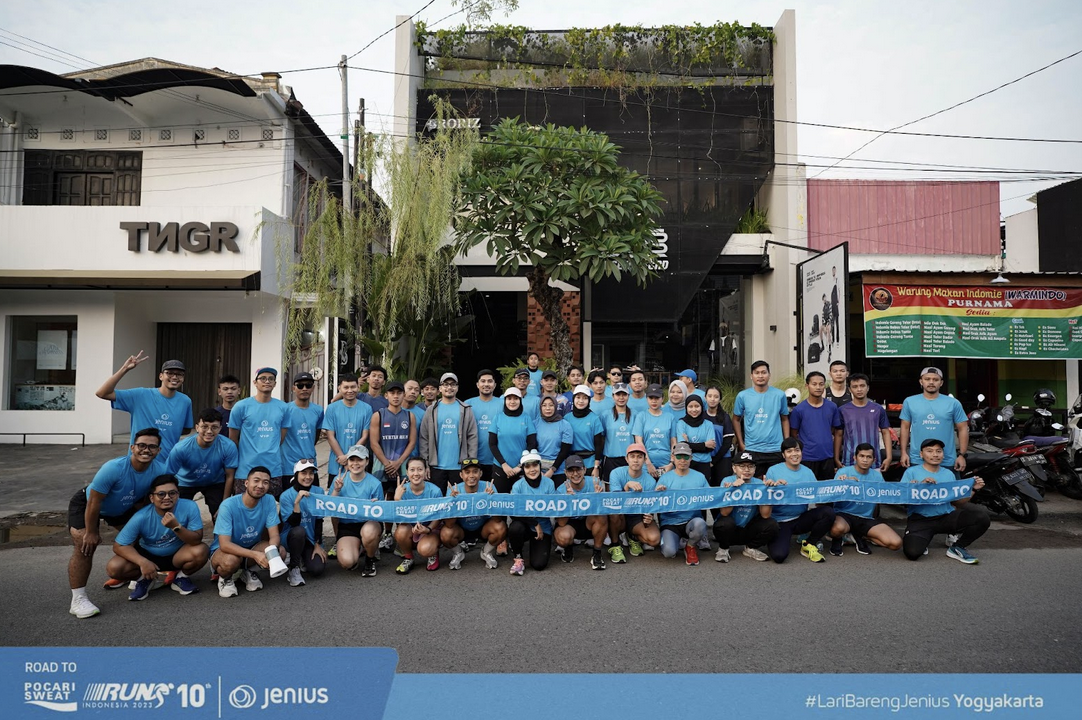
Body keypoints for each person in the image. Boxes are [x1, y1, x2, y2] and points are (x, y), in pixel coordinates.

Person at [66, 428, 169, 618]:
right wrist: (91, 531)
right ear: (132, 447)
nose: (146, 450)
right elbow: (94, 501)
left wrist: (143, 525)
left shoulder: (160, 470)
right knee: (85, 544)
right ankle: (78, 599)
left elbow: (147, 499)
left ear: (159, 450)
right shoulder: (114, 468)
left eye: (152, 446)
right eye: (141, 445)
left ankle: (136, 576)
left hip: (123, 506)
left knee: (143, 537)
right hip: (89, 504)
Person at [107, 474, 208, 601]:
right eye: (161, 494)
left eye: (172, 493)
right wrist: (142, 562)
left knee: (201, 550)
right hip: (148, 555)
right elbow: (119, 545)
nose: (167, 497)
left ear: (178, 495)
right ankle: (144, 580)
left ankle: (181, 578)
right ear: (152, 498)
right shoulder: (141, 516)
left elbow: (196, 540)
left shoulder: (189, 506)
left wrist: (176, 527)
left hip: (177, 555)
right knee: (114, 567)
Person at [900, 438, 989, 563]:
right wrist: (919, 487)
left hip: (945, 517)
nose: (935, 454)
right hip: (920, 519)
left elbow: (957, 502)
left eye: (938, 451)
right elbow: (903, 501)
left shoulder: (949, 474)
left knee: (981, 518)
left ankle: (958, 547)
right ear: (921, 454)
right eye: (930, 451)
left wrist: (974, 489)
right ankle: (925, 539)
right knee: (912, 553)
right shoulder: (911, 472)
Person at [96, 354, 193, 457]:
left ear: (183, 378)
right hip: (139, 461)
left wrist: (166, 430)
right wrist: (125, 369)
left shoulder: (185, 401)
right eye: (169, 373)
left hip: (168, 462)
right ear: (161, 376)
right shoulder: (141, 395)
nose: (174, 377)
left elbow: (186, 429)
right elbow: (102, 393)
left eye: (179, 374)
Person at [209, 466, 283, 599]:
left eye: (265, 482)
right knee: (230, 561)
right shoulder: (228, 505)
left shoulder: (269, 500)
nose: (260, 485)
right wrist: (255, 555)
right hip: (225, 551)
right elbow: (224, 544)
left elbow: (274, 535)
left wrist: (272, 553)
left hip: (251, 548)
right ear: (246, 483)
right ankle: (225, 578)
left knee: (280, 552)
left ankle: (248, 571)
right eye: (256, 480)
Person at [764, 438, 835, 564]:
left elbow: (818, 496)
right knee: (779, 556)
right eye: (789, 451)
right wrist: (774, 486)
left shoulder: (808, 472)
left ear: (801, 452)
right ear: (783, 455)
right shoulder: (773, 471)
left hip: (800, 518)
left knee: (828, 512)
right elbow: (766, 498)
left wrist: (839, 483)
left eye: (797, 450)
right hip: (780, 521)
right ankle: (775, 538)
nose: (794, 454)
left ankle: (809, 544)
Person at [228, 367, 292, 498]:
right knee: (244, 508)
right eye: (262, 378)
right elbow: (233, 439)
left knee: (269, 508)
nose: (267, 381)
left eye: (271, 379)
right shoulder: (241, 406)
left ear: (275, 383)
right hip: (246, 469)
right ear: (255, 382)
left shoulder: (283, 408)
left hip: (273, 469)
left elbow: (281, 438)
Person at [827, 444, 902, 557]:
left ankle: (859, 535)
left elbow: (885, 495)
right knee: (837, 530)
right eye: (862, 456)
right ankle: (844, 536)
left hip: (866, 518)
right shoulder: (843, 472)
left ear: (873, 460)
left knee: (895, 543)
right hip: (844, 515)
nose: (865, 460)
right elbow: (831, 495)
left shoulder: (877, 476)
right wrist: (844, 483)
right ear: (855, 458)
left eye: (868, 457)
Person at [166, 408, 238, 520]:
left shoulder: (228, 446)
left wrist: (224, 505)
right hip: (185, 482)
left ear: (220, 428)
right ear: (197, 427)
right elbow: (168, 475)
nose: (209, 431)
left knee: (222, 515)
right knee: (179, 515)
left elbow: (230, 476)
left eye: (214, 427)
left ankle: (220, 537)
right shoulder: (181, 448)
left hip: (214, 482)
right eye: (204, 426)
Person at [900, 366, 969, 475]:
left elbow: (963, 429)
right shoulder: (909, 402)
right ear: (921, 381)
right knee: (918, 491)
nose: (931, 382)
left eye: (935, 379)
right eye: (927, 379)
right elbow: (904, 427)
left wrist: (962, 455)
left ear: (941, 383)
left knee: (948, 491)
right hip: (917, 459)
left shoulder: (953, 403)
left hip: (947, 460)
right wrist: (903, 452)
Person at [418, 372, 478, 493]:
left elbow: (472, 436)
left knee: (457, 502)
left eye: (453, 384)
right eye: (445, 384)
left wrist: (470, 463)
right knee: (437, 502)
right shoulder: (431, 410)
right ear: (440, 388)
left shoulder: (466, 409)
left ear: (457, 388)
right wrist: (425, 464)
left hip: (459, 465)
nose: (449, 387)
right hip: (436, 466)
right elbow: (424, 438)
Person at [712, 452, 777, 563]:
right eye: (742, 466)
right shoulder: (727, 481)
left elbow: (765, 515)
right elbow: (724, 513)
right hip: (729, 529)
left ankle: (751, 548)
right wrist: (734, 490)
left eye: (750, 466)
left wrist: (767, 493)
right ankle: (723, 548)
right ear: (734, 468)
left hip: (748, 528)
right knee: (725, 523)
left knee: (772, 524)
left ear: (755, 469)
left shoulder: (759, 483)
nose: (746, 470)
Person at [441, 458, 505, 570]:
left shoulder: (489, 486)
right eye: (467, 472)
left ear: (481, 473)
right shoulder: (454, 489)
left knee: (500, 527)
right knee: (446, 533)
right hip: (461, 530)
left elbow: (498, 518)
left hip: (483, 528)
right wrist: (453, 503)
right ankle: (458, 553)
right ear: (461, 475)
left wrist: (492, 500)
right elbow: (449, 524)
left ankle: (486, 552)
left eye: (475, 471)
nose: (471, 475)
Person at [330, 445, 383, 577]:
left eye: (359, 460)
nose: (355, 463)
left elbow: (381, 513)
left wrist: (376, 506)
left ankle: (370, 559)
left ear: (367, 461)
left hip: (369, 523)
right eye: (352, 460)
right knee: (348, 563)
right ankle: (358, 547)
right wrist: (336, 490)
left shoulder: (375, 483)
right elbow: (330, 508)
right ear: (347, 462)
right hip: (348, 525)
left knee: (369, 532)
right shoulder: (339, 480)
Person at [732, 360, 790, 478]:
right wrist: (741, 443)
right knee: (753, 485)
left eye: (764, 372)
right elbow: (736, 419)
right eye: (757, 373)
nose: (760, 376)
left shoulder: (779, 395)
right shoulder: (743, 396)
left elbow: (785, 419)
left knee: (777, 484)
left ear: (769, 375)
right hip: (752, 448)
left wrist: (786, 442)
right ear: (751, 376)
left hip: (775, 449)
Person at [657, 442, 711, 566]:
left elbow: (710, 497)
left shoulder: (699, 477)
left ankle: (690, 546)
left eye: (686, 457)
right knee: (669, 553)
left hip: (691, 521)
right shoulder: (665, 478)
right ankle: (675, 541)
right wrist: (659, 493)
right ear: (673, 458)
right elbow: (655, 502)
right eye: (679, 456)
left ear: (691, 458)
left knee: (700, 523)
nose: (682, 460)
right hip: (670, 522)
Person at [553, 455, 610, 570]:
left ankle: (597, 553)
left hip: (589, 522)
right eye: (571, 470)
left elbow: (605, 510)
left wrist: (598, 498)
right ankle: (568, 547)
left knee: (601, 516)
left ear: (584, 469)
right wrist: (568, 501)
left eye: (578, 469)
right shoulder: (561, 489)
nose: (575, 474)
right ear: (565, 472)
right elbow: (561, 523)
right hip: (570, 523)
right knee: (563, 538)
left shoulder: (595, 482)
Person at [607, 443, 662, 558]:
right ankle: (615, 544)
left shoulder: (650, 481)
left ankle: (633, 537)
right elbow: (615, 502)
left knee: (654, 540)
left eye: (639, 457)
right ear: (627, 459)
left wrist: (649, 517)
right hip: (620, 515)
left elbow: (649, 506)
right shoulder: (616, 473)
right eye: (632, 456)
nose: (636, 460)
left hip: (636, 517)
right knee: (614, 513)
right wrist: (626, 488)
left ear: (644, 460)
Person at [278, 459, 327, 587]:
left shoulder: (318, 492)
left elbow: (319, 520)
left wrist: (318, 544)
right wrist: (297, 502)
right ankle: (293, 568)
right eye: (303, 473)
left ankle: (302, 557)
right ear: (296, 475)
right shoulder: (286, 495)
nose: (308, 477)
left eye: (311, 473)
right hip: (291, 536)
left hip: (310, 539)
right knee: (299, 531)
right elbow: (293, 523)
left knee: (317, 570)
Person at [393, 458, 446, 573]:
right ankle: (408, 558)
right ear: (407, 472)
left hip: (430, 529)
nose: (416, 473)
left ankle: (433, 552)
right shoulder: (402, 491)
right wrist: (397, 500)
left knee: (425, 550)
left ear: (426, 471)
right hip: (411, 528)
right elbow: (399, 520)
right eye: (412, 470)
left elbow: (440, 515)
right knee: (401, 531)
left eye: (420, 469)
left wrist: (428, 529)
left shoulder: (435, 491)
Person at [507, 450, 556, 575]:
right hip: (525, 525)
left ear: (540, 465)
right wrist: (534, 523)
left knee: (539, 565)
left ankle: (537, 547)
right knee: (515, 527)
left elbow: (554, 508)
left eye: (535, 465)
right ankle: (518, 559)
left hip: (543, 527)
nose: (532, 469)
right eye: (527, 466)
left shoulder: (549, 483)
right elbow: (513, 512)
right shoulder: (518, 486)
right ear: (523, 469)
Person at [788, 371, 843, 480]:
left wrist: (836, 457)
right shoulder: (799, 410)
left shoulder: (832, 407)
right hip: (806, 458)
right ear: (807, 386)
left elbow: (836, 431)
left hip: (827, 457)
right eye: (814, 384)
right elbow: (794, 434)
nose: (818, 387)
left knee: (827, 491)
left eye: (821, 384)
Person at [323, 373, 373, 487]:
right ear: (339, 388)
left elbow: (365, 436)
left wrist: (349, 457)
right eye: (346, 387)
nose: (350, 390)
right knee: (335, 497)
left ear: (358, 387)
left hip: (358, 463)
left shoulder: (366, 409)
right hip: (337, 463)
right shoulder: (332, 409)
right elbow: (330, 436)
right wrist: (342, 457)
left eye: (353, 387)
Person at [369, 380, 417, 497]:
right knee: (379, 497)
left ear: (404, 395)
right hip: (381, 464)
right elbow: (374, 443)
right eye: (392, 393)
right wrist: (387, 464)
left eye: (399, 393)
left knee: (398, 498)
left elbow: (412, 442)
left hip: (402, 465)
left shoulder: (410, 416)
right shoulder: (378, 415)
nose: (395, 396)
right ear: (386, 395)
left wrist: (398, 463)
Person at [836, 373, 892, 470]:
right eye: (855, 386)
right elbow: (838, 435)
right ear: (849, 389)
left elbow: (886, 432)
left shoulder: (878, 409)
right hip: (850, 461)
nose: (859, 389)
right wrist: (836, 458)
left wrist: (889, 457)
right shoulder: (843, 410)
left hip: (874, 462)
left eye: (862, 386)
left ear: (868, 387)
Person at [488, 387, 538, 493]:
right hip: (500, 468)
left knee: (521, 502)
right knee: (500, 502)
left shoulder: (526, 418)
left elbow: (532, 444)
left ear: (520, 400)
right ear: (505, 400)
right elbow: (492, 444)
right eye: (509, 398)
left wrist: (520, 466)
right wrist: (504, 464)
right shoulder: (497, 418)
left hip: (521, 468)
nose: (512, 401)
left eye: (515, 398)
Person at [281, 372, 324, 473]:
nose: (304, 389)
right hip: (289, 466)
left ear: (313, 388)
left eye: (308, 385)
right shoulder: (285, 410)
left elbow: (316, 436)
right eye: (300, 386)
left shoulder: (318, 410)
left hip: (310, 464)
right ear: (293, 388)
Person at [466, 369, 503, 484]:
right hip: (473, 460)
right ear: (477, 384)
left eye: (489, 381)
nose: (486, 384)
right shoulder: (467, 405)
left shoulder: (503, 404)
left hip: (498, 461)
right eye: (483, 381)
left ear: (495, 385)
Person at [564, 384, 605, 485]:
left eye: (585, 398)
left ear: (589, 401)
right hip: (572, 462)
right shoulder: (567, 418)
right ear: (573, 399)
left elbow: (598, 444)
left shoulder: (594, 419)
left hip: (590, 462)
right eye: (578, 397)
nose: (581, 401)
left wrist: (596, 467)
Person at [633, 384, 676, 480]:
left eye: (657, 398)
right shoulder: (641, 416)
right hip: (646, 461)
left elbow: (673, 442)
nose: (654, 401)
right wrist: (648, 463)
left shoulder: (670, 417)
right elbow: (639, 442)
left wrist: (672, 462)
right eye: (651, 397)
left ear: (663, 398)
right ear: (646, 398)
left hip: (666, 461)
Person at [673, 395, 715, 479]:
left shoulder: (708, 424)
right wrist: (704, 444)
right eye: (690, 406)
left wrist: (689, 444)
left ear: (702, 407)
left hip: (704, 463)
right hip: (687, 462)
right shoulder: (681, 423)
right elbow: (682, 446)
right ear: (686, 408)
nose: (694, 409)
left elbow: (711, 447)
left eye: (697, 406)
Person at [536, 395, 573, 486]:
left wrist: (552, 470)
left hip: (558, 470)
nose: (548, 408)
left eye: (551, 405)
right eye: (544, 405)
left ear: (556, 406)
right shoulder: (535, 424)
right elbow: (532, 447)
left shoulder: (565, 425)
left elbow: (564, 451)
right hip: (537, 470)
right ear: (540, 407)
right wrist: (537, 469)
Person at [600, 383, 634, 481]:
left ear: (628, 396)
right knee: (610, 490)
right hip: (611, 459)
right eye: (618, 395)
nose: (621, 398)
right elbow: (602, 437)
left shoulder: (635, 414)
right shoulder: (605, 415)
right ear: (613, 396)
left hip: (630, 459)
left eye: (624, 395)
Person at [703, 385, 736, 485]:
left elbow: (727, 442)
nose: (712, 399)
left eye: (716, 397)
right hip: (704, 458)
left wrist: (714, 460)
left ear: (720, 399)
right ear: (705, 397)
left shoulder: (725, 417)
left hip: (722, 459)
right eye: (710, 396)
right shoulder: (701, 416)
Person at [403, 379, 426, 457]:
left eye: (416, 390)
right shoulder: (392, 411)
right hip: (393, 458)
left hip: (414, 458)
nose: (413, 392)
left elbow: (425, 439)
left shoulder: (423, 414)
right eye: (410, 389)